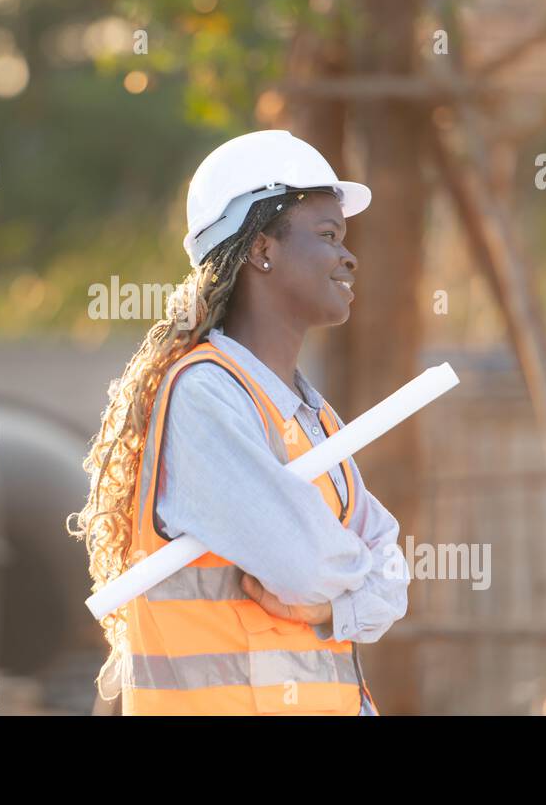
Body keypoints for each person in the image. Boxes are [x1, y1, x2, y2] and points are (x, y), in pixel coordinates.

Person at [72, 129, 410, 716]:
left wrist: (335, 603)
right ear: (261, 250)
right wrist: (346, 580)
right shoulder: (203, 397)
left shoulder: (311, 415)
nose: (349, 256)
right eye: (328, 236)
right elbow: (304, 567)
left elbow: (390, 572)